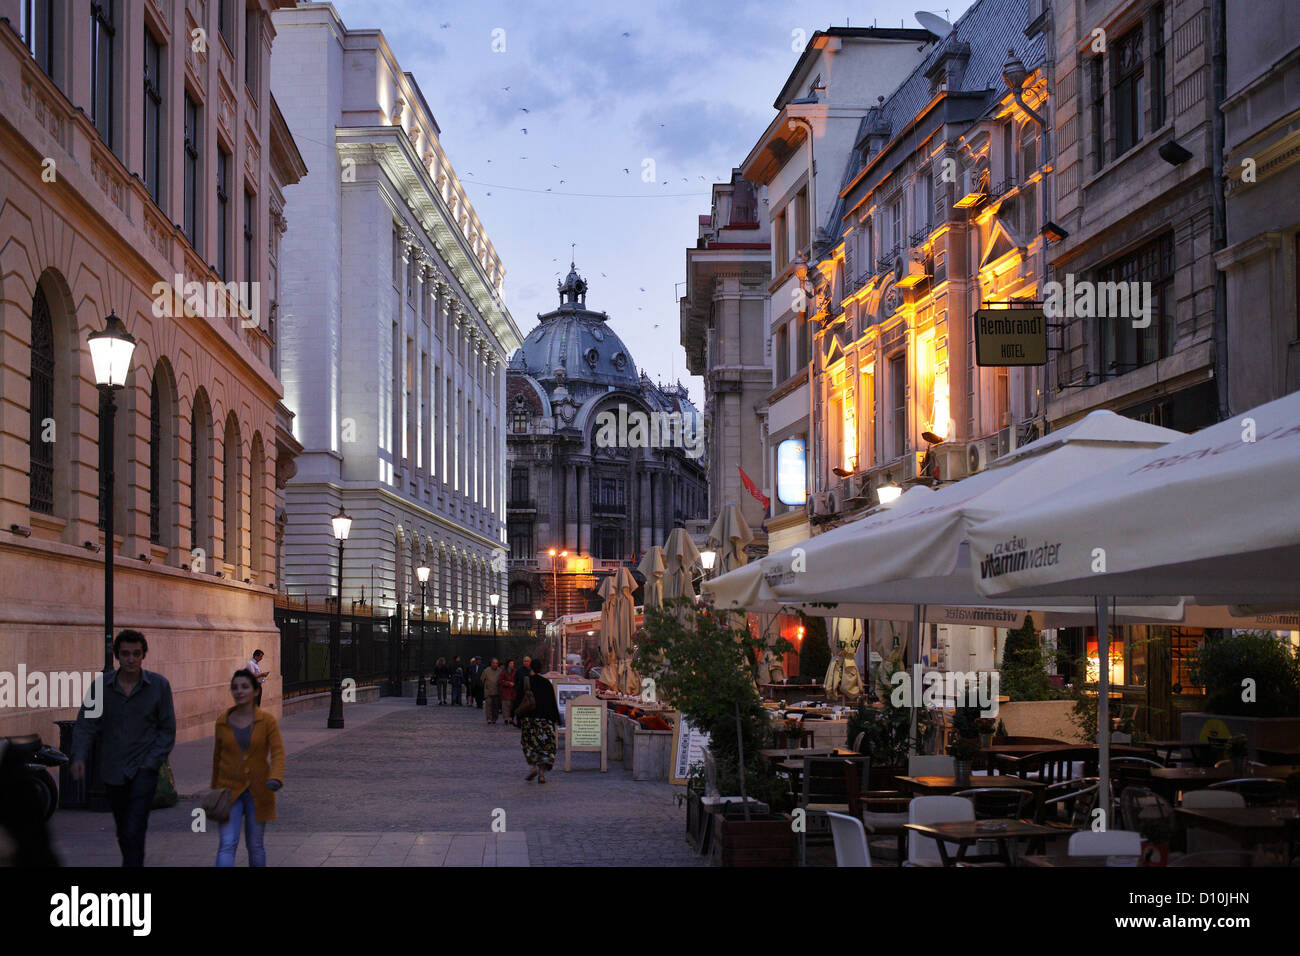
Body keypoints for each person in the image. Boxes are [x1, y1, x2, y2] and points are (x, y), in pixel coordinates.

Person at [71, 630, 176, 867]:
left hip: (144, 769)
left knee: (134, 827)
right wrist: (78, 757)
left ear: (143, 655)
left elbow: (167, 729)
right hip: (113, 770)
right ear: (117, 655)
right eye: (126, 654)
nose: (131, 659)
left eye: (136, 654)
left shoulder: (158, 686)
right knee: (123, 828)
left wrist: (152, 762)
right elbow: (85, 724)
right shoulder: (102, 688)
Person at [211, 669, 285, 867]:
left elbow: (278, 752)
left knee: (255, 845)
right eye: (235, 687)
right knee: (227, 843)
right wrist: (215, 788)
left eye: (244, 687)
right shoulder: (222, 721)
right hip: (229, 791)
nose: (239, 691)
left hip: (258, 790)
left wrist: (276, 777)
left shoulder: (267, 721)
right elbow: (217, 757)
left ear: (255, 691)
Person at [518, 659, 560, 784]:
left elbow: (519, 699)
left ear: (531, 668)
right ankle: (542, 774)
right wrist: (556, 720)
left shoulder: (526, 682)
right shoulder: (547, 683)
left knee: (529, 744)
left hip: (529, 720)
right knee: (545, 747)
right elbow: (552, 703)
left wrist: (516, 716)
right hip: (545, 721)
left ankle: (532, 768)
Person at [482, 659, 501, 724]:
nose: (495, 664)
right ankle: (489, 718)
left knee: (495, 706)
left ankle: (494, 718)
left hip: (497, 691)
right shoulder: (486, 670)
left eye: (496, 663)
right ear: (491, 663)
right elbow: (482, 679)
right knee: (488, 706)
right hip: (488, 691)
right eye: (494, 663)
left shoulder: (500, 671)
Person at [499, 659, 516, 726]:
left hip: (513, 692)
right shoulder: (503, 672)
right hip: (505, 691)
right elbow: (500, 681)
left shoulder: (515, 671)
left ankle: (510, 718)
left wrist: (514, 684)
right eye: (511, 663)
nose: (512, 665)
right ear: (508, 664)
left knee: (512, 706)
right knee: (505, 706)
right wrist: (508, 683)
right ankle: (506, 718)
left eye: (513, 663)